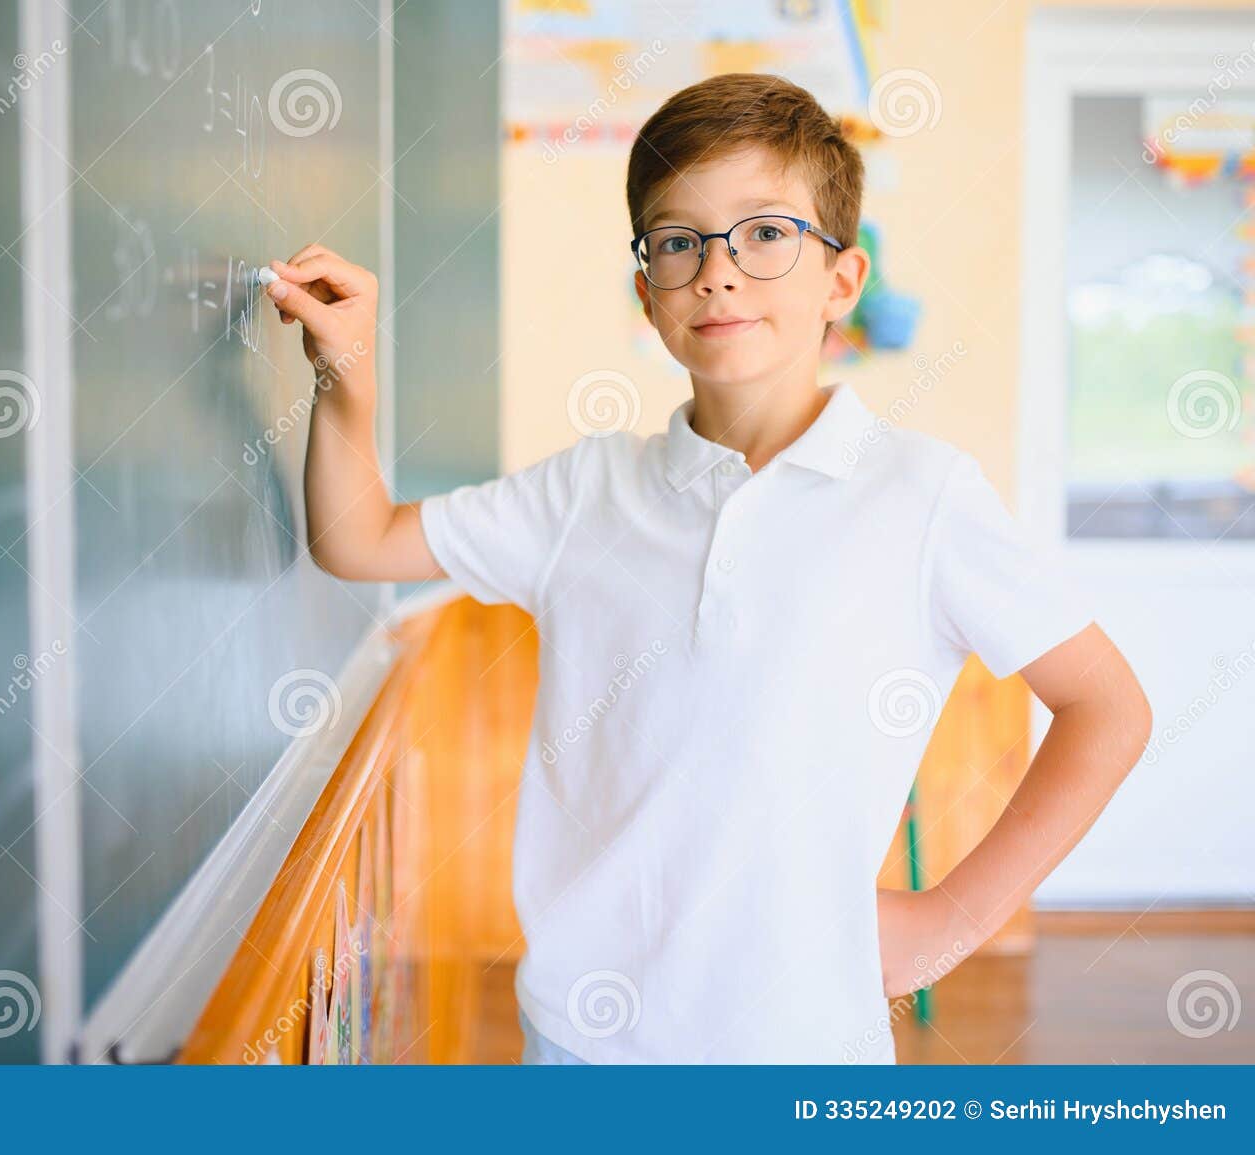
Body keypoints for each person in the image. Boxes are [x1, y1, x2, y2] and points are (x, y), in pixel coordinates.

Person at [262, 72, 1152, 1064]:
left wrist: (949, 920)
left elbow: (1107, 707)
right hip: (580, 1038)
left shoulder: (921, 495)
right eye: (678, 241)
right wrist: (346, 373)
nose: (717, 272)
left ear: (841, 282)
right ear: (647, 294)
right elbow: (360, 539)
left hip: (807, 1043)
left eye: (765, 233)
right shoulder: (584, 493)